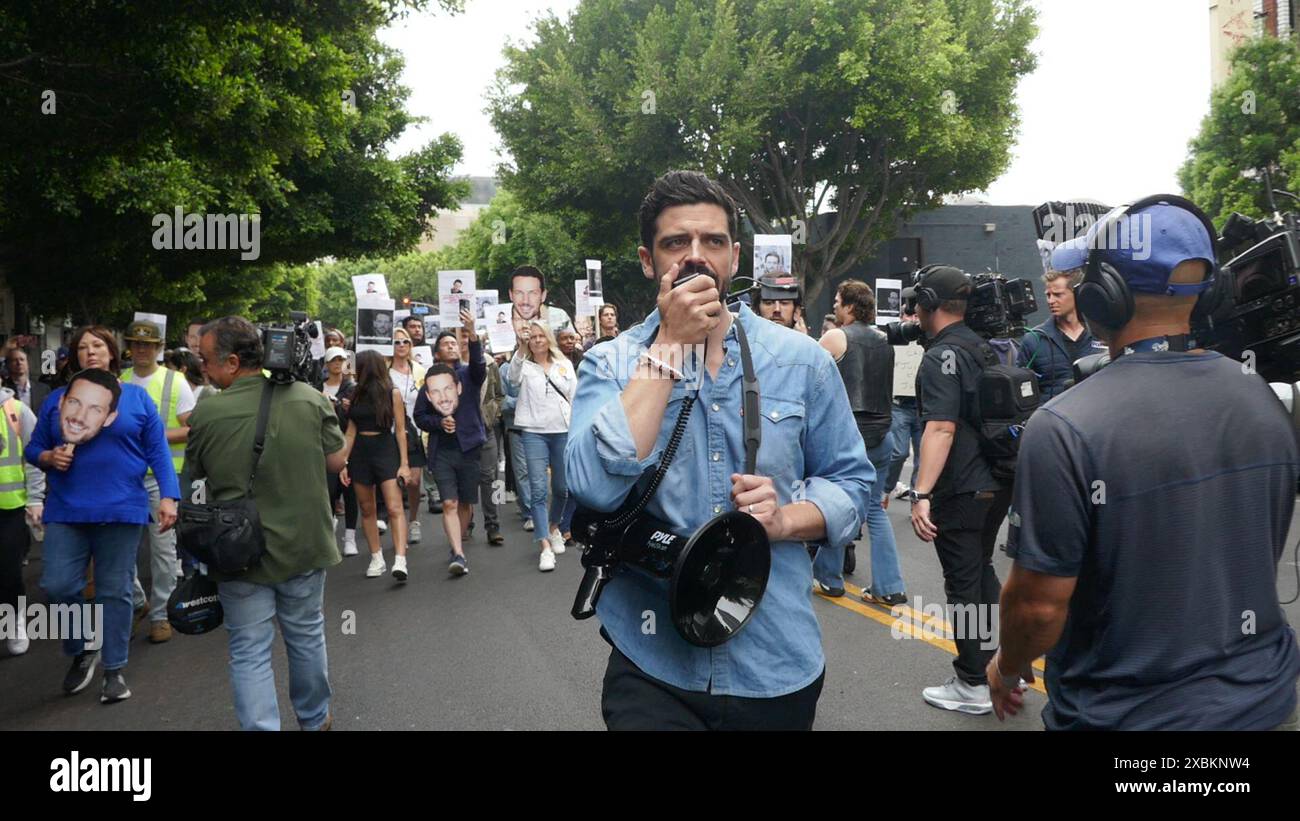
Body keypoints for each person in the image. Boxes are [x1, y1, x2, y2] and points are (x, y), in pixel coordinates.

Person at [566, 170, 872, 729]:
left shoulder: (801, 361)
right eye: (675, 243)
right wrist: (668, 347)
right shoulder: (609, 362)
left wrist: (783, 520)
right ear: (646, 259)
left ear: (734, 255)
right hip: (653, 663)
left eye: (712, 241)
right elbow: (589, 485)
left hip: (775, 661)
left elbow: (851, 482)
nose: (695, 256)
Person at [989, 197, 1300, 730]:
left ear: (1101, 296)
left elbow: (1038, 609)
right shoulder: (1268, 400)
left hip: (1128, 720)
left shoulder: (1062, 427)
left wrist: (1004, 667)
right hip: (1267, 703)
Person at [186, 317, 343, 730]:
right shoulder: (310, 399)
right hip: (304, 547)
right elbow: (335, 459)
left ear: (233, 362)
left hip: (237, 552)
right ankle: (313, 720)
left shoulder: (207, 413)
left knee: (249, 649)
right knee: (306, 636)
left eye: (206, 361)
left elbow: (195, 478)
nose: (202, 368)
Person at [27, 329, 179, 704]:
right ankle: (83, 648)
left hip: (122, 509)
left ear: (112, 353)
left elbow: (158, 451)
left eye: (97, 346)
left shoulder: (138, 399)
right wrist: (47, 458)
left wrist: (170, 497)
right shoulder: (58, 401)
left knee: (115, 591)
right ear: (74, 357)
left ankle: (114, 670)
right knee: (59, 585)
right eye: (82, 347)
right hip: (67, 510)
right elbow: (34, 447)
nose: (89, 352)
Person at [901, 265, 1011, 715]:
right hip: (996, 482)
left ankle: (972, 683)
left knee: (964, 584)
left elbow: (941, 428)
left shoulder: (940, 356)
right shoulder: (982, 346)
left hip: (962, 489)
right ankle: (996, 667)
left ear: (927, 304)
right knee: (981, 572)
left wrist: (921, 491)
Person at [816, 279, 907, 605]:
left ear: (851, 306)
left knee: (834, 504)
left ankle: (829, 578)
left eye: (839, 302)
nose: (835, 307)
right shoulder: (885, 340)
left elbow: (806, 373)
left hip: (847, 437)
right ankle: (890, 586)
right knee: (874, 512)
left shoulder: (835, 336)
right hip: (882, 436)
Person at [121, 320, 194, 645]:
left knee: (163, 551)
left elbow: (192, 428)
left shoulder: (175, 381)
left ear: (158, 347)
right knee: (121, 549)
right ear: (129, 346)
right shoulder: (118, 381)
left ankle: (161, 615)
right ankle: (139, 602)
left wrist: (155, 436)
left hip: (161, 479)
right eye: (136, 343)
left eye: (148, 344)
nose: (141, 349)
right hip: (124, 478)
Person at [505, 319, 577, 571]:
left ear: (548, 339)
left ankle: (554, 526)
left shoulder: (564, 364)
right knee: (538, 490)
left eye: (540, 336)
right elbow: (511, 380)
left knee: (562, 489)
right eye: (532, 337)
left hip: (562, 432)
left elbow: (574, 397)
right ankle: (545, 545)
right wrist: (520, 349)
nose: (537, 340)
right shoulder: (523, 365)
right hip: (533, 433)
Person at [341, 350, 412, 581]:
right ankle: (376, 557)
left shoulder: (393, 394)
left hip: (385, 448)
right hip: (361, 451)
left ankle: (400, 558)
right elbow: (350, 433)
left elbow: (401, 431)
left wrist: (404, 464)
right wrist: (343, 462)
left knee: (394, 507)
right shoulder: (355, 395)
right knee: (367, 507)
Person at [0, 380, 46, 656]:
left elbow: (35, 457)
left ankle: (14, 621)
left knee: (8, 571)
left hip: (10, 509)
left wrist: (35, 499)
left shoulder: (16, 410)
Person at [1015, 268, 1107, 400]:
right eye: (1048, 295)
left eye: (1057, 294)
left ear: (1077, 294)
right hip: (1052, 417)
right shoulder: (1034, 339)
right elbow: (1023, 391)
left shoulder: (1103, 335)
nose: (1051, 301)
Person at [389, 326, 426, 545]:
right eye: (397, 342)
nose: (401, 346)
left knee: (413, 481)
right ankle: (398, 522)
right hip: (391, 434)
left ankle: (413, 520)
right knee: (394, 482)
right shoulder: (384, 372)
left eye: (406, 342)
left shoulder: (419, 370)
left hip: (416, 433)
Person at [321, 346, 358, 556]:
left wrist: (347, 408)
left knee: (350, 490)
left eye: (341, 360)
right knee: (329, 490)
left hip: (349, 444)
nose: (337, 363)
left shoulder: (352, 388)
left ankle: (350, 537)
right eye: (333, 360)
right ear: (327, 364)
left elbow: (356, 418)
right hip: (325, 446)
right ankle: (330, 529)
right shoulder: (318, 388)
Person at [509, 265, 573, 334]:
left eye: (533, 293)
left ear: (543, 295)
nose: (525, 301)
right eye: (519, 293)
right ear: (511, 295)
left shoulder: (559, 317)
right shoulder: (501, 325)